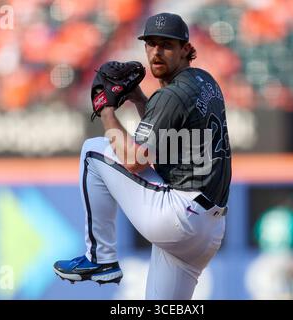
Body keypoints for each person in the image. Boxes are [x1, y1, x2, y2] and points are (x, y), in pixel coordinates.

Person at [53, 12, 231, 300]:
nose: (156, 52)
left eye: (167, 45)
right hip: (209, 229)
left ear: (186, 49)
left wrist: (106, 110)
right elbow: (167, 138)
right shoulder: (205, 81)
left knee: (93, 151)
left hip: (181, 217)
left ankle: (101, 258)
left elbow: (135, 161)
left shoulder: (171, 96)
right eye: (151, 43)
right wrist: (137, 98)